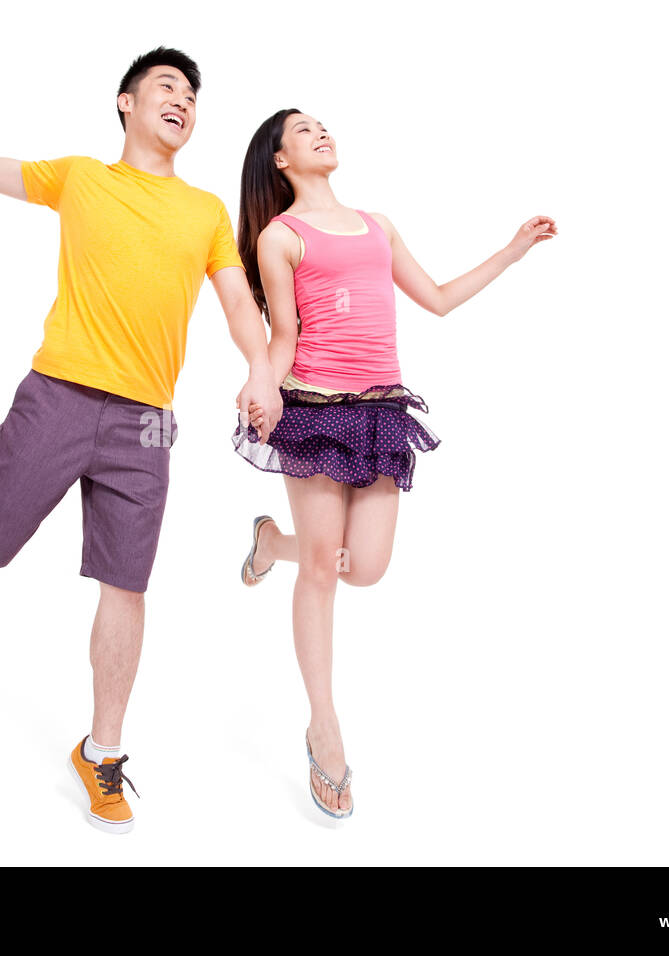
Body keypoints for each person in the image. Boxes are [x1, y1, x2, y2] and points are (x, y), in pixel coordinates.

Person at [0, 49, 283, 835]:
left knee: (128, 585)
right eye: (166, 88)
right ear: (126, 102)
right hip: (58, 397)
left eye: (191, 95)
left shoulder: (207, 212)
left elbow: (241, 306)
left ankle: (101, 753)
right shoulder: (81, 177)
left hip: (146, 424)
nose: (182, 101)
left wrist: (259, 368)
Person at [232, 108, 556, 819]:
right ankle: (325, 727)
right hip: (313, 409)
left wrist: (510, 252)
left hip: (379, 410)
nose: (321, 133)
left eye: (323, 125)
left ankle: (270, 544)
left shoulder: (378, 226)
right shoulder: (279, 237)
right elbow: (282, 336)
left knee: (366, 566)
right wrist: (262, 384)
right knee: (325, 570)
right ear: (280, 160)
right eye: (303, 131)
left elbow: (436, 300)